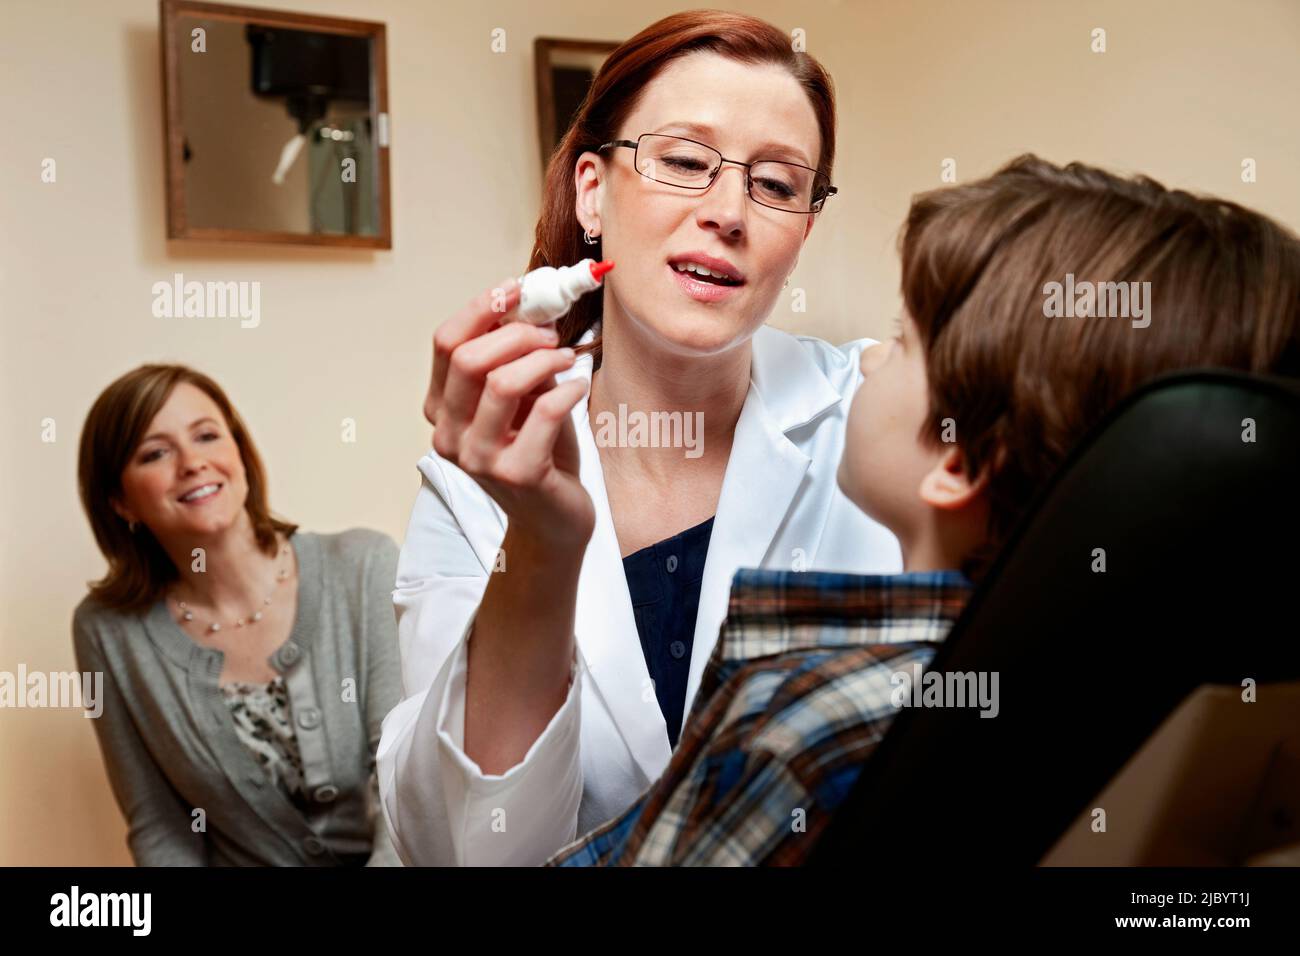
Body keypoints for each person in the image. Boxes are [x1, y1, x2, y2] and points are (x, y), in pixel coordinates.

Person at [548, 154, 1300, 865]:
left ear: (960, 461)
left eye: (903, 341)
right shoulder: (1145, 720)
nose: (870, 356)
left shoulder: (810, 724)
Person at [378, 10, 899, 866]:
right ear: (593, 190)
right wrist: (544, 549)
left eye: (777, 185)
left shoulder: (876, 417)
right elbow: (467, 850)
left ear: (803, 230)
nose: (727, 212)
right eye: (686, 162)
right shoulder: (476, 482)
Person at [73, 364, 402, 866]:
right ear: (120, 502)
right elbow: (161, 828)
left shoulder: (364, 568)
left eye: (206, 436)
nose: (192, 463)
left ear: (240, 454)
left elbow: (405, 780)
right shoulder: (108, 632)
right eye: (155, 452)